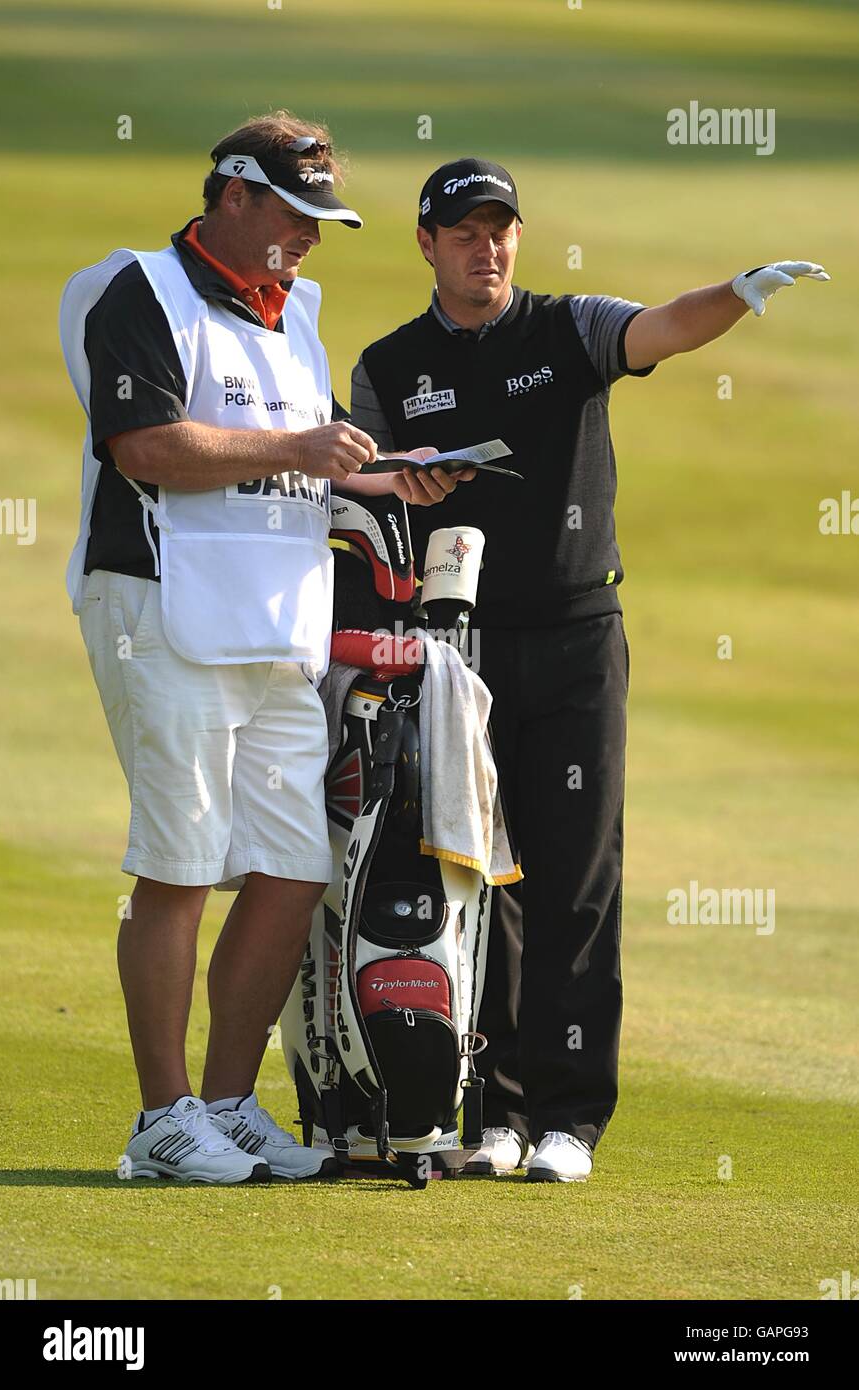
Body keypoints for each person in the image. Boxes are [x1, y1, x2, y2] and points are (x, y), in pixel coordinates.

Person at [350, 156, 828, 1183]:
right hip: (453, 648)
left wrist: (734, 297)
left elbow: (655, 327)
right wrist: (404, 489)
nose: (486, 248)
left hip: (574, 635)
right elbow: (356, 488)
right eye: (464, 232)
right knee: (478, 880)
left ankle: (566, 1120)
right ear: (426, 245)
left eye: (500, 230)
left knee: (574, 875)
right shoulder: (389, 366)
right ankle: (494, 1113)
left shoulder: (563, 328)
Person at [60, 113, 470, 1185]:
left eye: (324, 220)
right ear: (232, 194)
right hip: (163, 611)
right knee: (179, 868)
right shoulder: (139, 292)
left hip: (274, 627)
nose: (314, 237)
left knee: (290, 868)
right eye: (298, 215)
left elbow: (317, 458)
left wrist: (391, 470)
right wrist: (302, 447)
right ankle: (161, 1120)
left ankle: (231, 1104)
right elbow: (145, 445)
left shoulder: (295, 315)